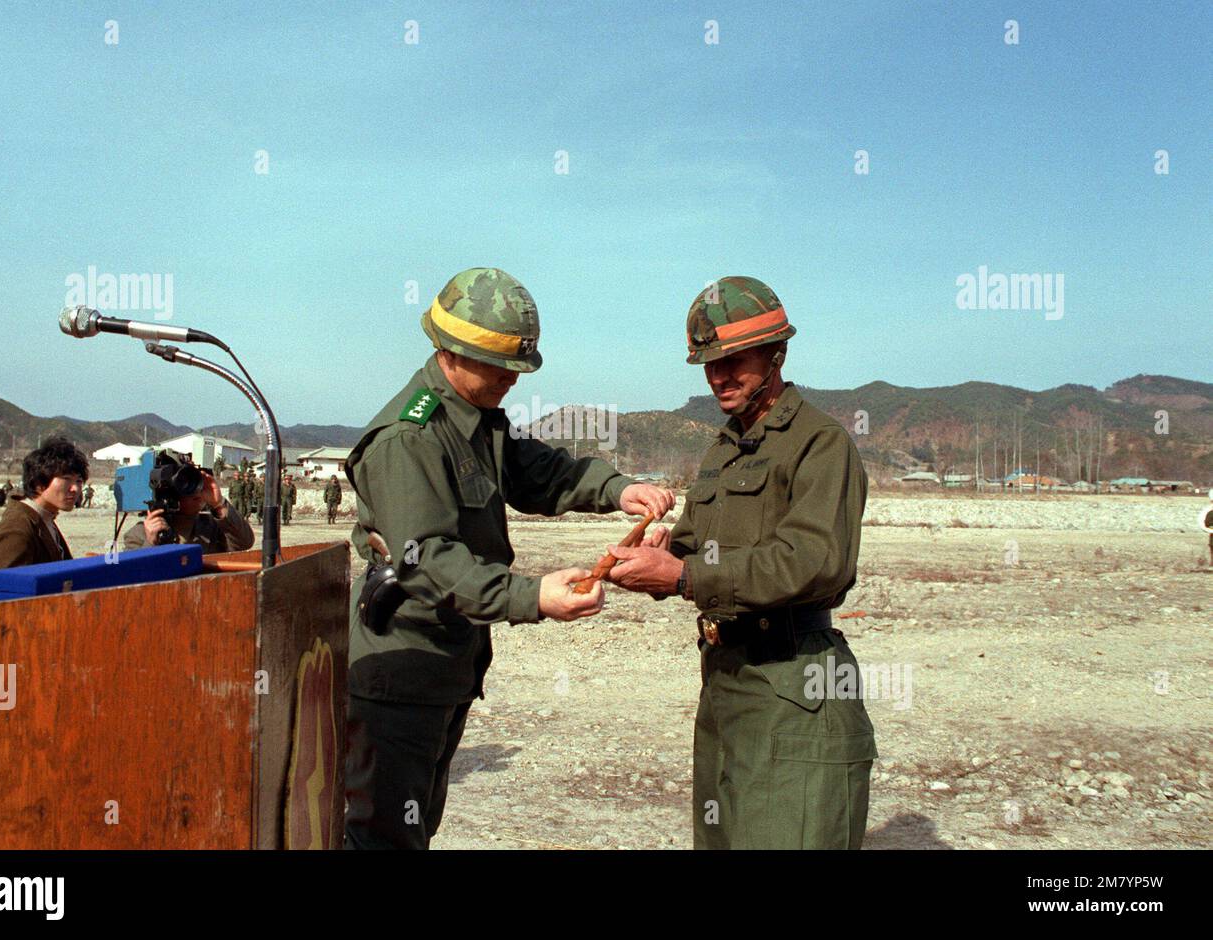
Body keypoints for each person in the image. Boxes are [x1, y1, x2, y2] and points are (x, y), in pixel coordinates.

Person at [342, 267, 675, 850]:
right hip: (402, 667)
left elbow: (542, 472)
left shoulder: (477, 420)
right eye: (500, 367)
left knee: (414, 828)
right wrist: (533, 596)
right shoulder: (410, 437)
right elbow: (428, 560)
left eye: (518, 369)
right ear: (450, 352)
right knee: (382, 838)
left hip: (445, 658)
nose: (511, 381)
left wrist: (617, 489)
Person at [606, 276, 877, 850]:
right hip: (727, 682)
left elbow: (816, 562)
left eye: (733, 360)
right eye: (708, 364)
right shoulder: (726, 447)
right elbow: (693, 546)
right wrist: (654, 559)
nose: (718, 376)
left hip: (796, 685)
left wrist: (682, 577)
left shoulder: (819, 443)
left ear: (777, 352)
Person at [0, 438, 87, 573]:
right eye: (66, 479)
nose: (75, 489)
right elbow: (8, 589)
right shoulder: (17, 529)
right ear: (39, 483)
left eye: (79, 481)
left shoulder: (44, 518)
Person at [121, 463, 254, 552]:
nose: (197, 491)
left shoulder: (211, 527)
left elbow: (245, 543)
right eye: (185, 485)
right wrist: (150, 543)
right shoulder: (139, 534)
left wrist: (219, 505)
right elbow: (133, 578)